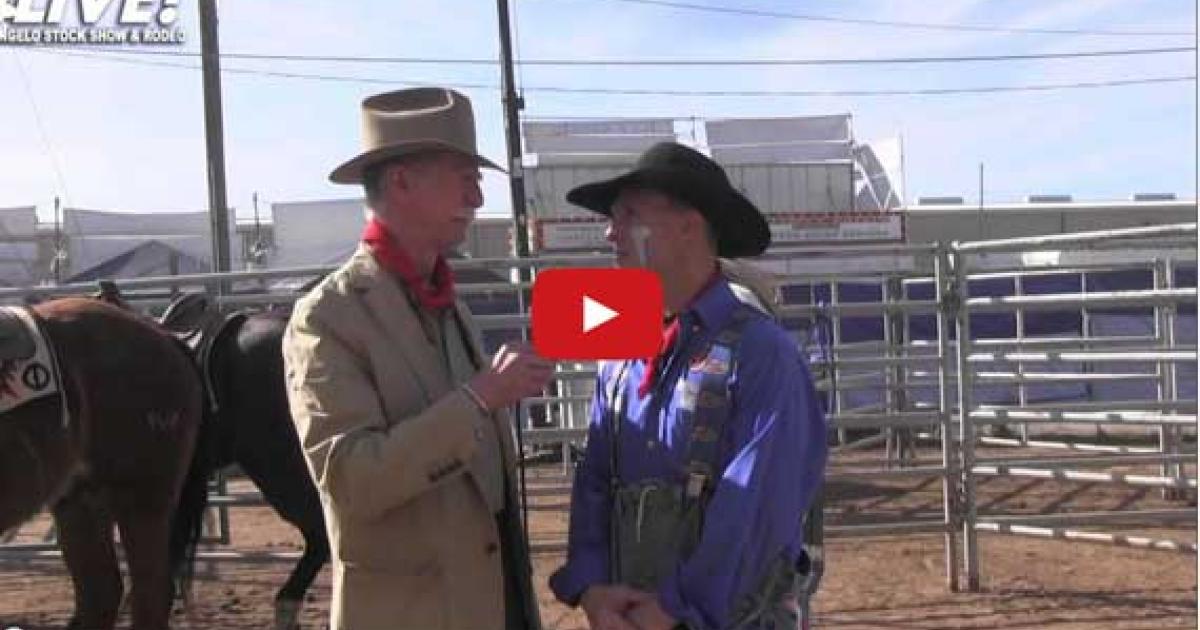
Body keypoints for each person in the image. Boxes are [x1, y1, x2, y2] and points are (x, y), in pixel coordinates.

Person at [283, 87, 550, 630]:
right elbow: (352, 481)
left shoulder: (449, 305)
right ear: (402, 181)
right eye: (464, 178)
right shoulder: (327, 317)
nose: (477, 199)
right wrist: (480, 397)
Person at [549, 142, 828, 630]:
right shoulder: (619, 355)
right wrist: (593, 588)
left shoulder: (762, 355)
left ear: (688, 226)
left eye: (630, 214)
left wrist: (677, 610)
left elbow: (755, 505)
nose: (610, 231)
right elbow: (594, 477)